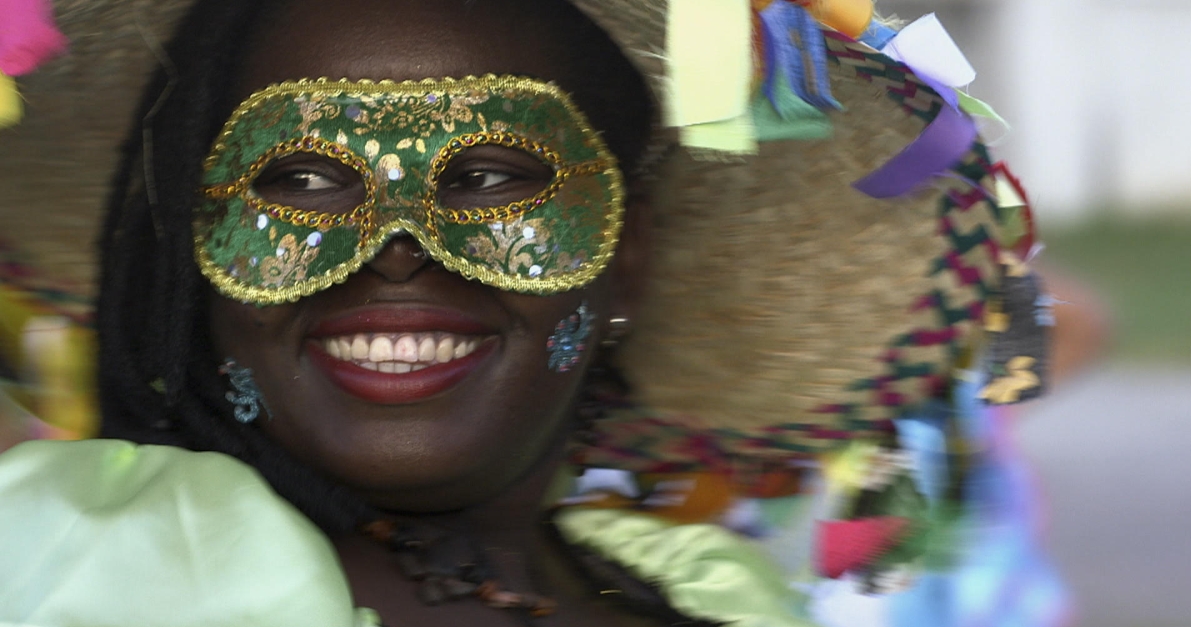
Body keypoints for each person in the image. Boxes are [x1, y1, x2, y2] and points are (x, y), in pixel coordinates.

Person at [0, 0, 1068, 625]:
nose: (402, 249)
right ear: (194, 249)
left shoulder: (715, 597)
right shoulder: (63, 562)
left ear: (629, 259)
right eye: (307, 182)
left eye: (492, 177)